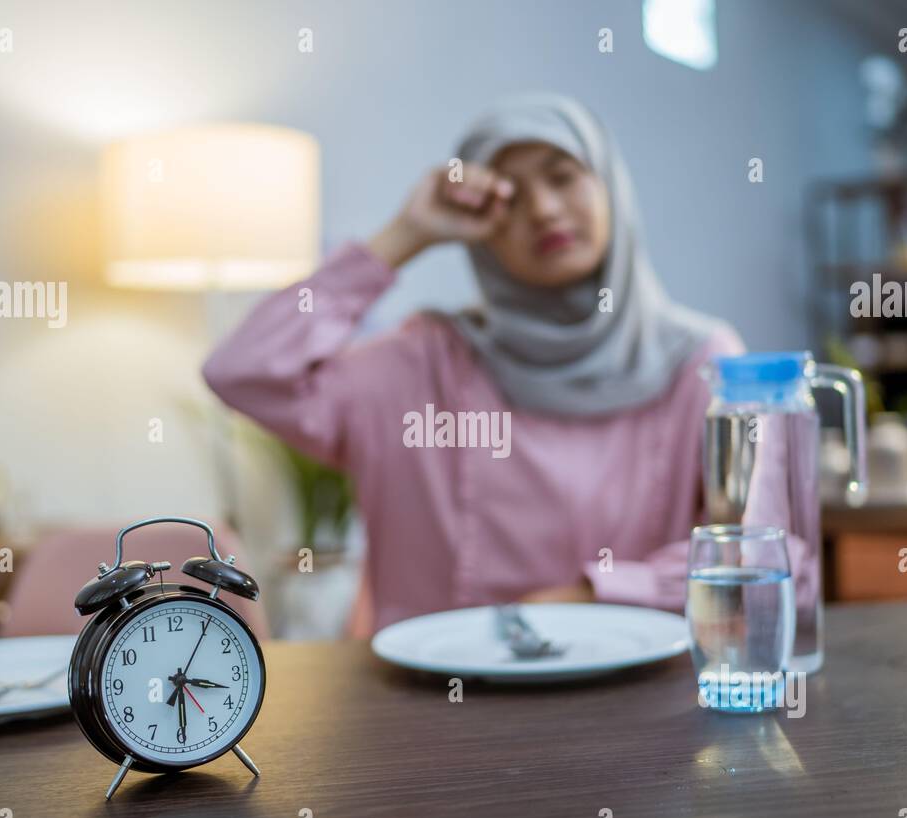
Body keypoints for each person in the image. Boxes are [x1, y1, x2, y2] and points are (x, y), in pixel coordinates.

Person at [203, 92, 745, 636]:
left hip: (633, 696)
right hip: (432, 703)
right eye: (509, 196)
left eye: (563, 176)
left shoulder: (699, 362)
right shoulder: (422, 362)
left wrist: (593, 594)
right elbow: (243, 372)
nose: (544, 210)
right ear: (477, 221)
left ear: (610, 186)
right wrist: (406, 234)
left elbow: (767, 554)